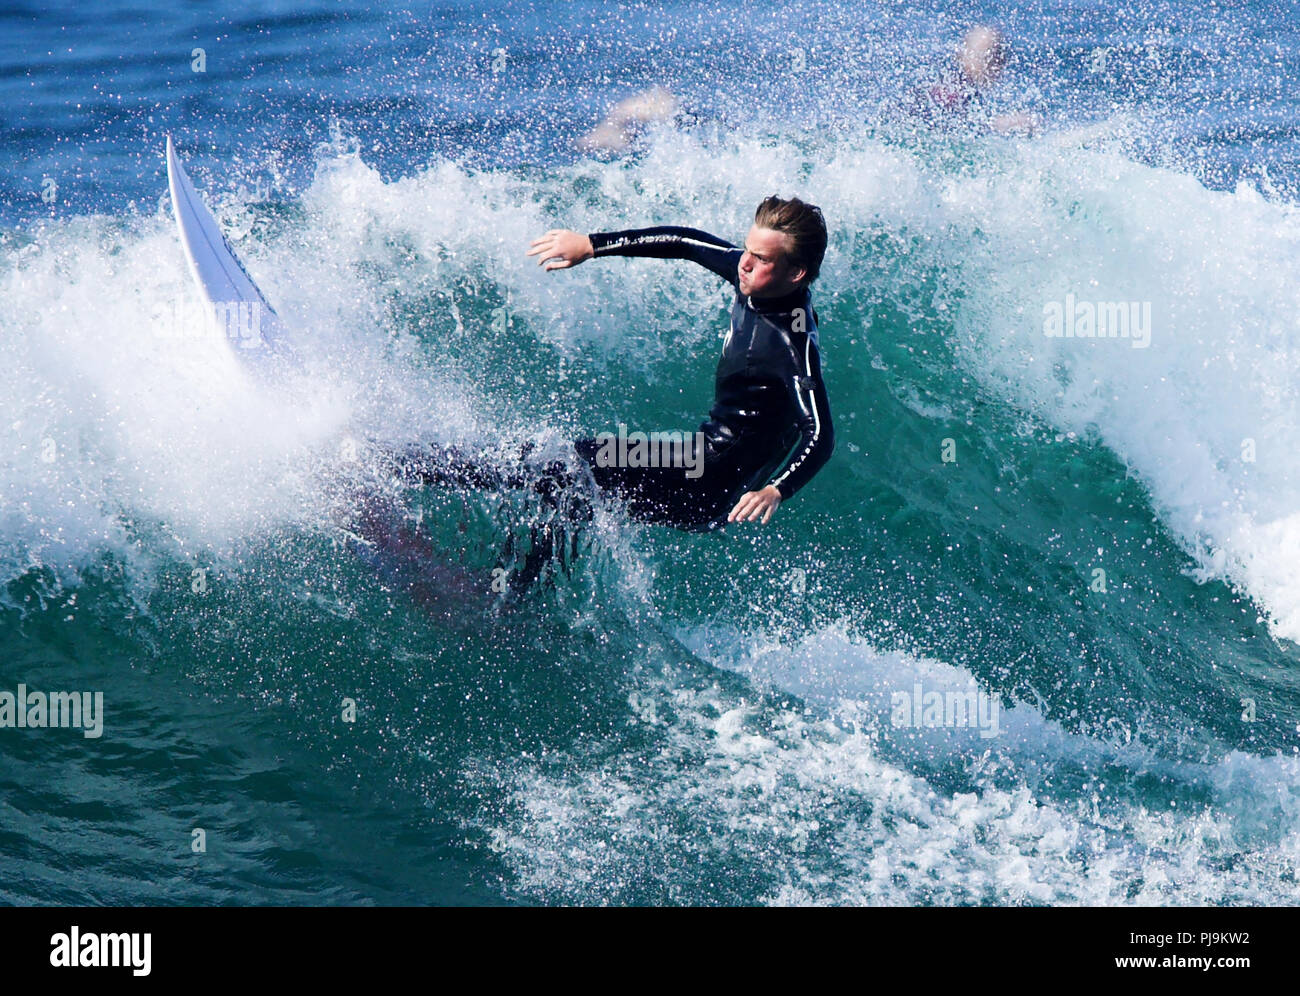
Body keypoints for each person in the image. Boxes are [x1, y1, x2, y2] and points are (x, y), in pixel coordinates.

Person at [399, 195, 836, 591]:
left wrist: (777, 489)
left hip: (708, 476)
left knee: (569, 465)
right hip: (702, 464)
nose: (743, 263)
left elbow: (819, 433)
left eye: (759, 259)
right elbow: (683, 241)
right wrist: (591, 244)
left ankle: (414, 472)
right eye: (746, 250)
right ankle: (509, 592)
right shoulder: (756, 278)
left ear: (795, 273)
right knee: (570, 481)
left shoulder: (791, 339)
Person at [913, 24, 1037, 135]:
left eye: (999, 56)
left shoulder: (968, 90)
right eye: (988, 56)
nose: (996, 63)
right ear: (962, 56)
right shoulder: (949, 92)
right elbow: (959, 126)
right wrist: (1000, 124)